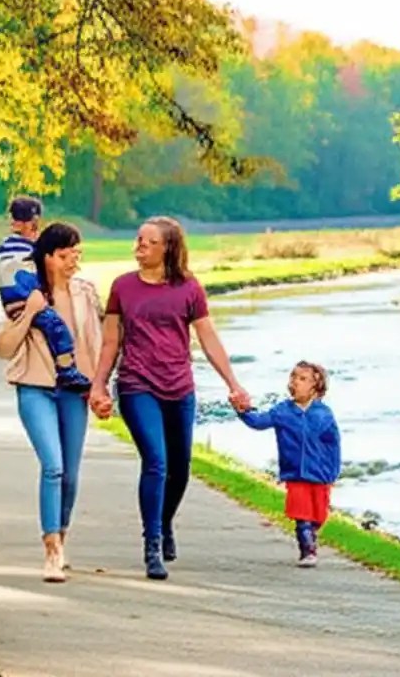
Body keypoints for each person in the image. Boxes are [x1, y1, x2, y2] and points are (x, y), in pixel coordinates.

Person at [89, 216, 250, 580]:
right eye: (138, 239)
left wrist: (233, 384)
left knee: (181, 470)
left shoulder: (189, 288)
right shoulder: (122, 287)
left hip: (179, 387)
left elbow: (208, 338)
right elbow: (111, 341)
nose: (140, 246)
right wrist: (99, 386)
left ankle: (164, 522)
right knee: (156, 462)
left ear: (168, 248)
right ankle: (152, 545)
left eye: (149, 241)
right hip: (136, 384)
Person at [0, 222, 103, 583]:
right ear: (46, 257)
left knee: (70, 474)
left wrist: (100, 389)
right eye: (65, 255)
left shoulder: (86, 293)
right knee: (53, 466)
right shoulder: (26, 291)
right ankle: (51, 549)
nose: (73, 261)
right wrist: (29, 312)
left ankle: (63, 534)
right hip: (35, 387)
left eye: (77, 254)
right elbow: (4, 348)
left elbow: (96, 345)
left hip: (75, 392)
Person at [235, 361, 341, 567]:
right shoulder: (282, 411)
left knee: (318, 515)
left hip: (320, 473)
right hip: (295, 473)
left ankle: (311, 533)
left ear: (315, 387)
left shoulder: (324, 414)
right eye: (293, 377)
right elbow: (259, 422)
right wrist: (243, 411)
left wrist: (333, 470)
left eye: (302, 379)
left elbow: (333, 444)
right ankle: (307, 549)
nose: (295, 382)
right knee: (302, 515)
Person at [0, 196, 90, 393]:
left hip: (13, 303)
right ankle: (67, 370)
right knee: (58, 330)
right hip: (24, 302)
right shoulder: (23, 249)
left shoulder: (7, 246)